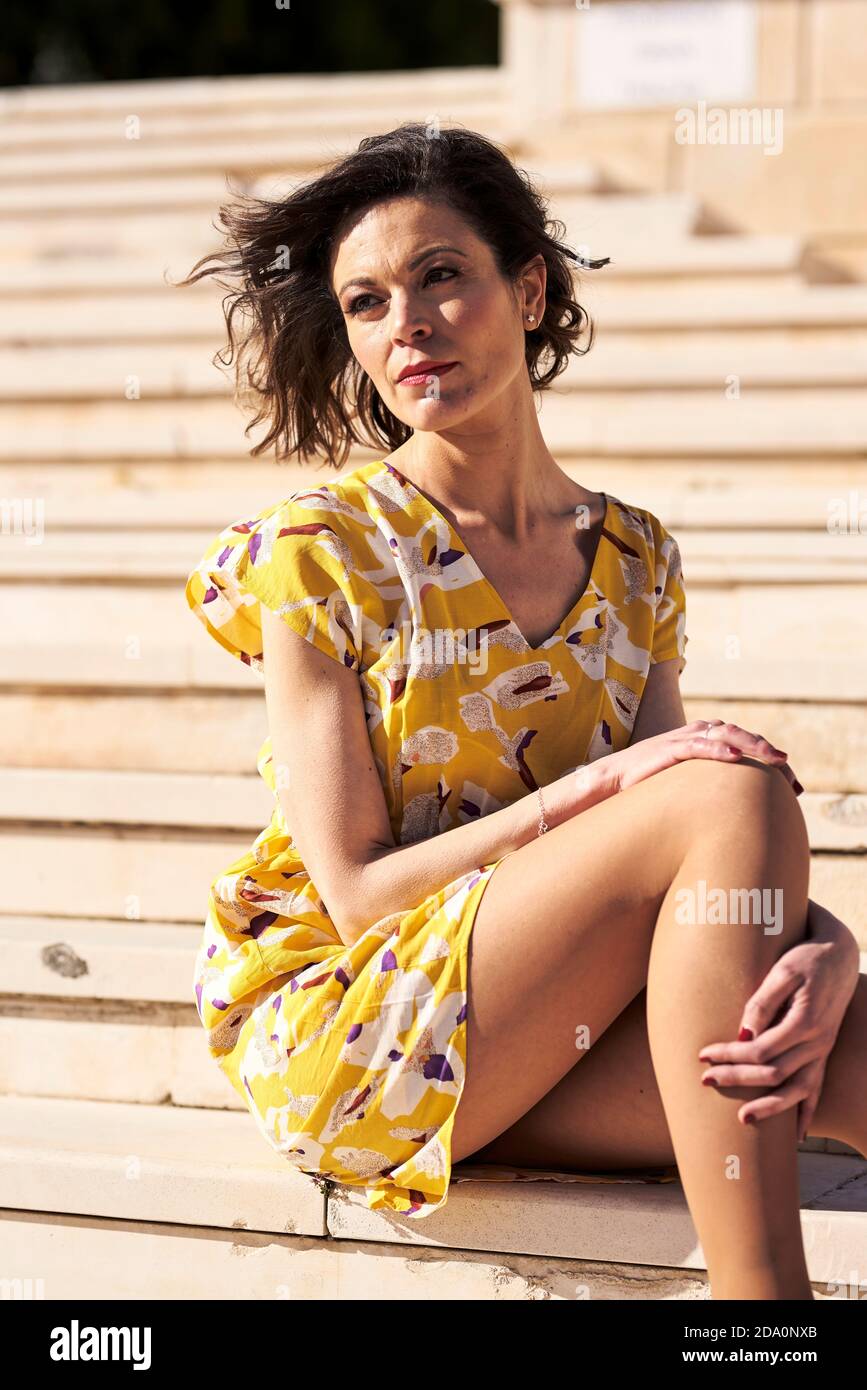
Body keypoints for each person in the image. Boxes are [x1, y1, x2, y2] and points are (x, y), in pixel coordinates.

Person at [181, 123, 865, 1300]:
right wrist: (597, 786)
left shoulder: (637, 557)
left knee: (845, 1042)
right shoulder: (322, 551)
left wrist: (833, 948)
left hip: (544, 1031)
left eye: (441, 274)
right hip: (365, 1032)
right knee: (730, 782)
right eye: (367, 301)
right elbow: (357, 893)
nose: (407, 325)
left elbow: (694, 869)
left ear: (531, 287)